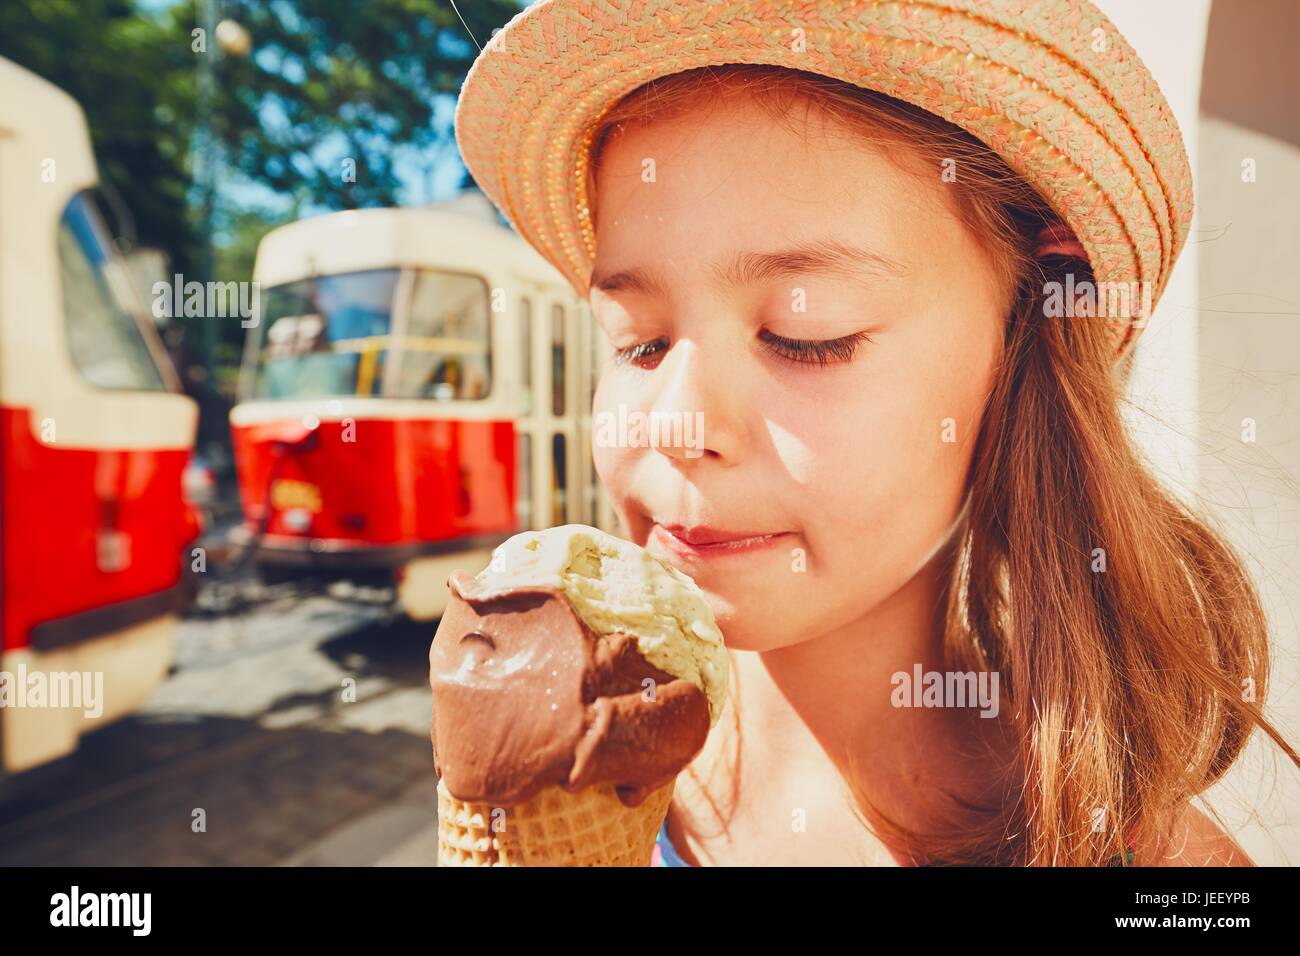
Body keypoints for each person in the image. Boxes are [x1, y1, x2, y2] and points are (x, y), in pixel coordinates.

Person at [453, 0, 1299, 866]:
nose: (675, 420)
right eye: (638, 340)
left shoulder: (1161, 865)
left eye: (806, 333)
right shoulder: (552, 757)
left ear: (1015, 355)